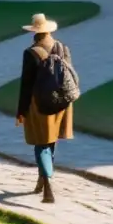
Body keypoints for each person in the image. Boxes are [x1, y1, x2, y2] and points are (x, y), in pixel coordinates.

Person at [15, 14, 74, 203]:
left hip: (39, 103)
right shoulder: (62, 47)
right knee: (51, 140)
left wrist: (21, 111)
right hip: (61, 102)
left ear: (34, 32)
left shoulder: (30, 52)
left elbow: (26, 85)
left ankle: (47, 181)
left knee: (41, 143)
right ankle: (43, 177)